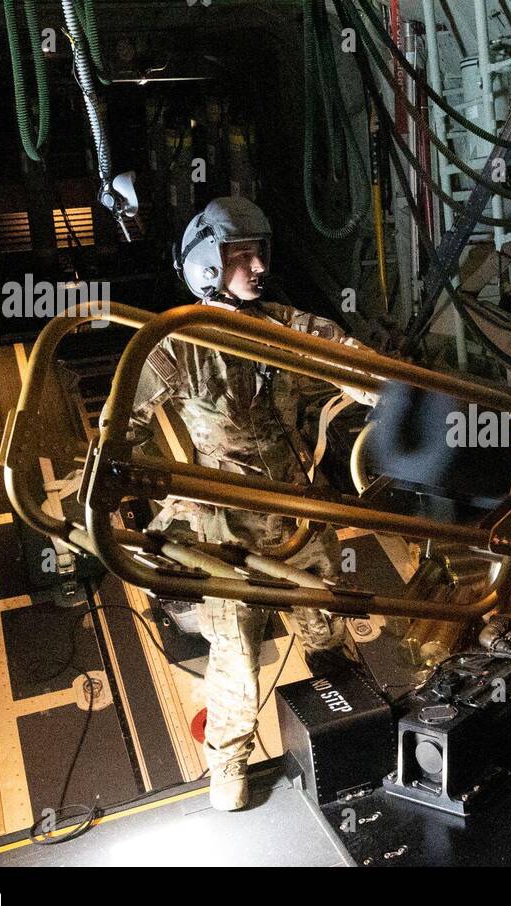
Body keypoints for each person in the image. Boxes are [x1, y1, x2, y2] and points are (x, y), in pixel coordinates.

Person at [134, 196, 354, 811]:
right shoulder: (178, 342)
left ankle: (346, 719)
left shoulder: (286, 327)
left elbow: (358, 362)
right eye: (240, 255)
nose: (257, 266)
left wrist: (380, 386)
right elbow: (121, 417)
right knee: (234, 651)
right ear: (207, 264)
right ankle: (226, 760)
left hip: (299, 514)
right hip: (229, 527)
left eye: (260, 252)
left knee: (326, 624)